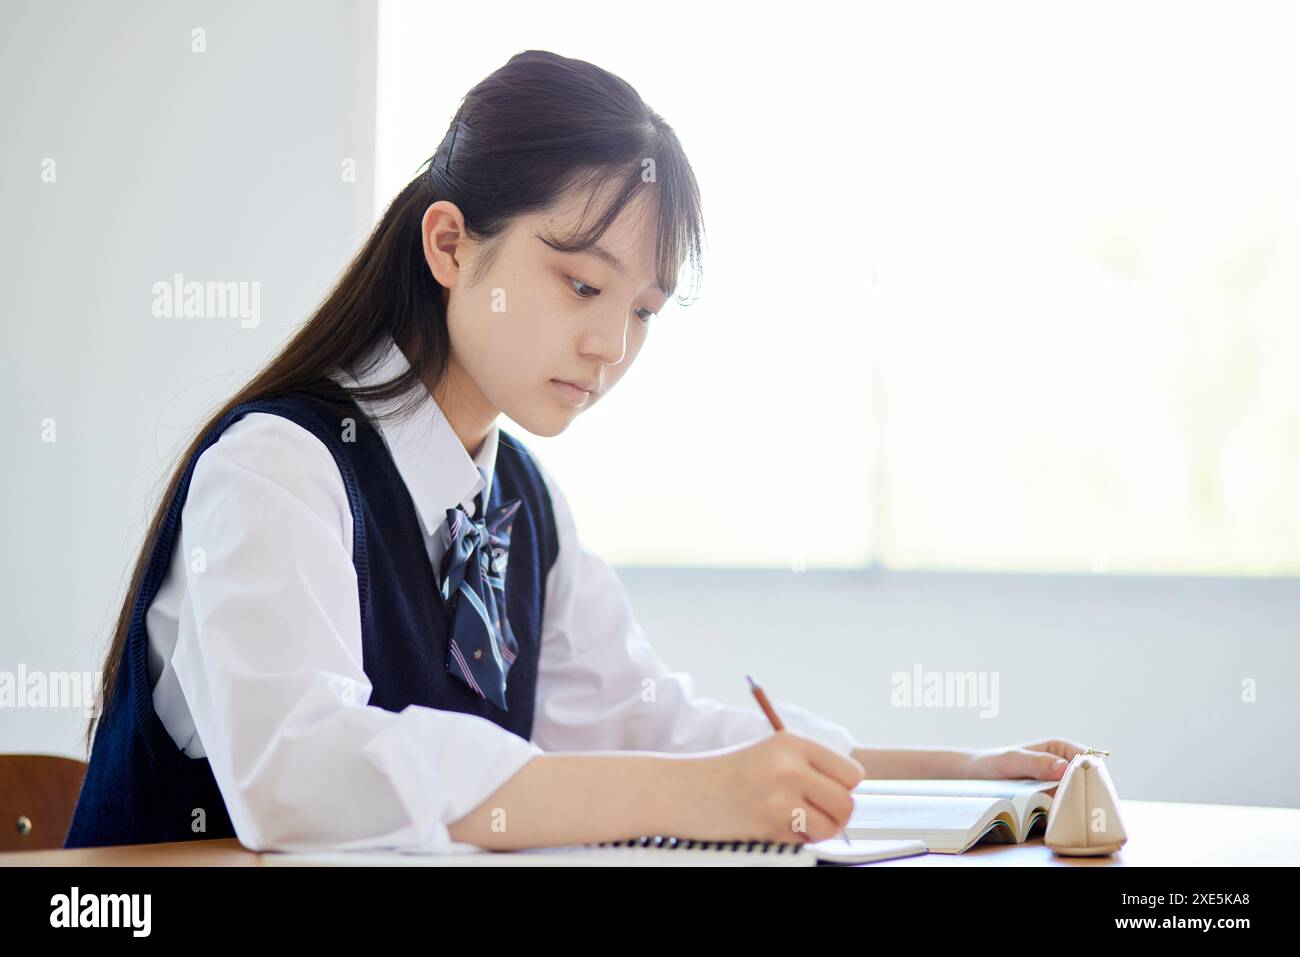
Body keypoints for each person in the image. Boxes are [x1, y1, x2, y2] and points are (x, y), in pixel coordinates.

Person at [67, 49, 1086, 852]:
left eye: (642, 309)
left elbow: (649, 725)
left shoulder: (519, 501)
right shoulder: (277, 468)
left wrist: (963, 769)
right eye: (581, 286)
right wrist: (700, 797)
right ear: (451, 246)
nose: (610, 345)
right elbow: (301, 774)